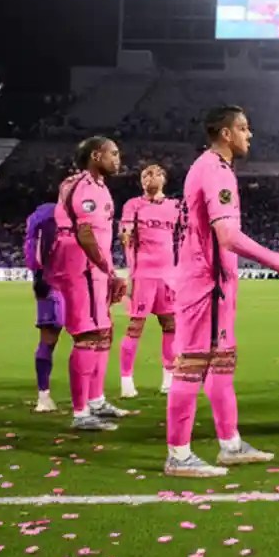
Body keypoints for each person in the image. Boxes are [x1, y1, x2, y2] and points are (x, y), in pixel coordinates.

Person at [166, 104, 279, 478]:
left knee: (222, 363)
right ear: (225, 133)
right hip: (204, 285)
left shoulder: (215, 169)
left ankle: (230, 444)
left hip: (218, 285)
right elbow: (226, 235)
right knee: (193, 365)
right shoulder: (214, 170)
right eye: (243, 128)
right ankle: (178, 455)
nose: (249, 135)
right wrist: (276, 260)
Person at [51, 137, 131, 432]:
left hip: (94, 270)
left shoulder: (99, 187)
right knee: (87, 335)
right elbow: (85, 234)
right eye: (113, 154)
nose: (117, 159)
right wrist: (109, 271)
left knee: (103, 332)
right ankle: (80, 411)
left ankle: (96, 400)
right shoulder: (83, 186)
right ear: (96, 155)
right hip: (82, 268)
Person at [118, 164, 182, 398]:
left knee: (171, 326)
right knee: (135, 327)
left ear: (164, 179)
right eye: (145, 175)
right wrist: (125, 235)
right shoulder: (133, 205)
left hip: (168, 277)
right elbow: (125, 235)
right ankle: (126, 381)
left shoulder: (175, 207)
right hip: (143, 275)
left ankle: (168, 378)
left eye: (154, 174)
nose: (149, 178)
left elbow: (186, 236)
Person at [25, 201, 63, 413]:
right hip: (55, 282)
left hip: (66, 282)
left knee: (90, 340)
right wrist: (40, 276)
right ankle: (44, 395)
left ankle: (90, 398)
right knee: (49, 339)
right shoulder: (50, 215)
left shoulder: (44, 214)